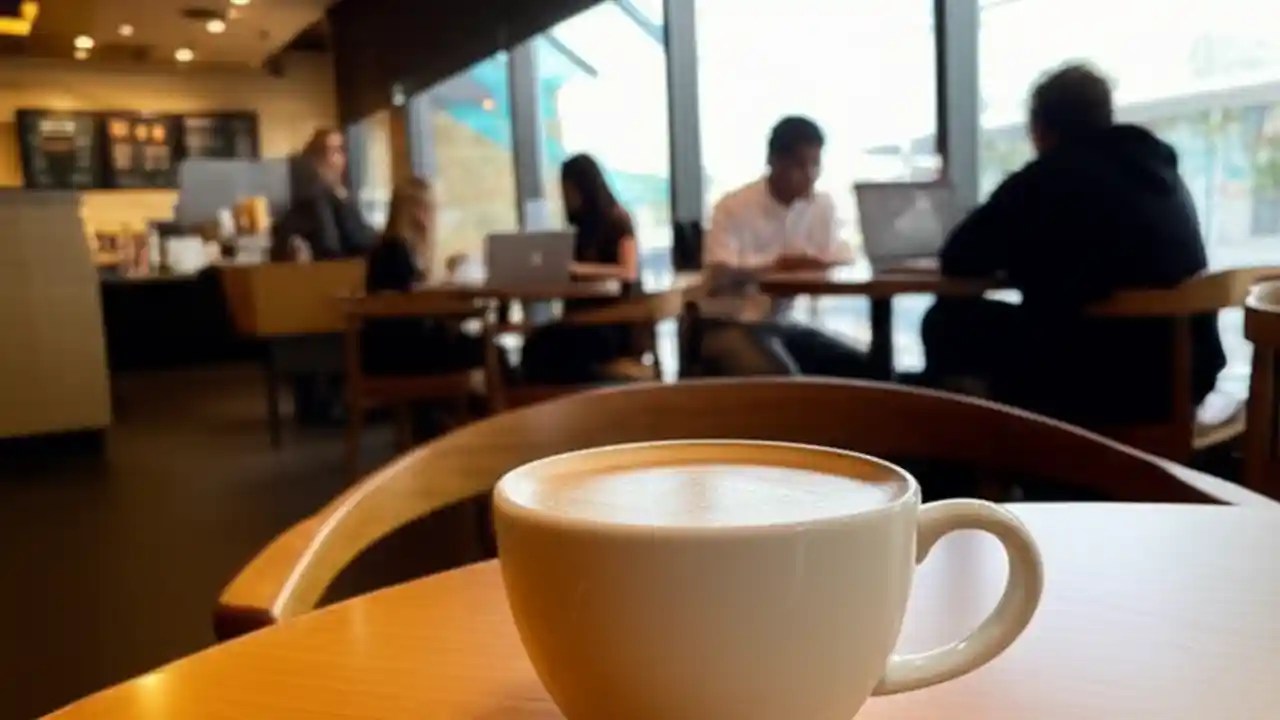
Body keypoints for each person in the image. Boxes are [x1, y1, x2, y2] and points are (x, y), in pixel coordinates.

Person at [922, 64, 1225, 425]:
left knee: (945, 323)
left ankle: (989, 465)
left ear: (1040, 129)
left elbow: (960, 256)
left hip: (1103, 381)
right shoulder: (1159, 170)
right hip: (1184, 378)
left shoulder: (1050, 178)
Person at [697, 116, 870, 377]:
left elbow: (841, 256)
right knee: (783, 380)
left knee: (863, 368)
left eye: (815, 164)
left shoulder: (821, 206)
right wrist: (776, 267)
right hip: (728, 323)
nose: (810, 174)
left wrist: (812, 264)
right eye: (800, 165)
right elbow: (719, 272)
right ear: (774, 161)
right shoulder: (732, 207)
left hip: (782, 323)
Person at [520, 154, 639, 384]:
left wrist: (580, 270)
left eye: (570, 189)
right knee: (537, 345)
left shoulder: (618, 221)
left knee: (540, 348)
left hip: (608, 322)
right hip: (581, 319)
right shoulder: (579, 228)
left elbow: (628, 270)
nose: (567, 196)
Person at [363, 177, 483, 376]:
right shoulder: (395, 250)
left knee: (479, 346)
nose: (432, 216)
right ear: (415, 211)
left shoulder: (393, 248)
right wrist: (446, 288)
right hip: (403, 353)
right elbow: (411, 300)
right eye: (428, 208)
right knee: (489, 351)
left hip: (394, 349)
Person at [273, 128, 375, 261]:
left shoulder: (341, 196)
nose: (337, 160)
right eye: (331, 151)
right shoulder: (314, 200)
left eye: (340, 151)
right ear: (314, 160)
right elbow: (333, 246)